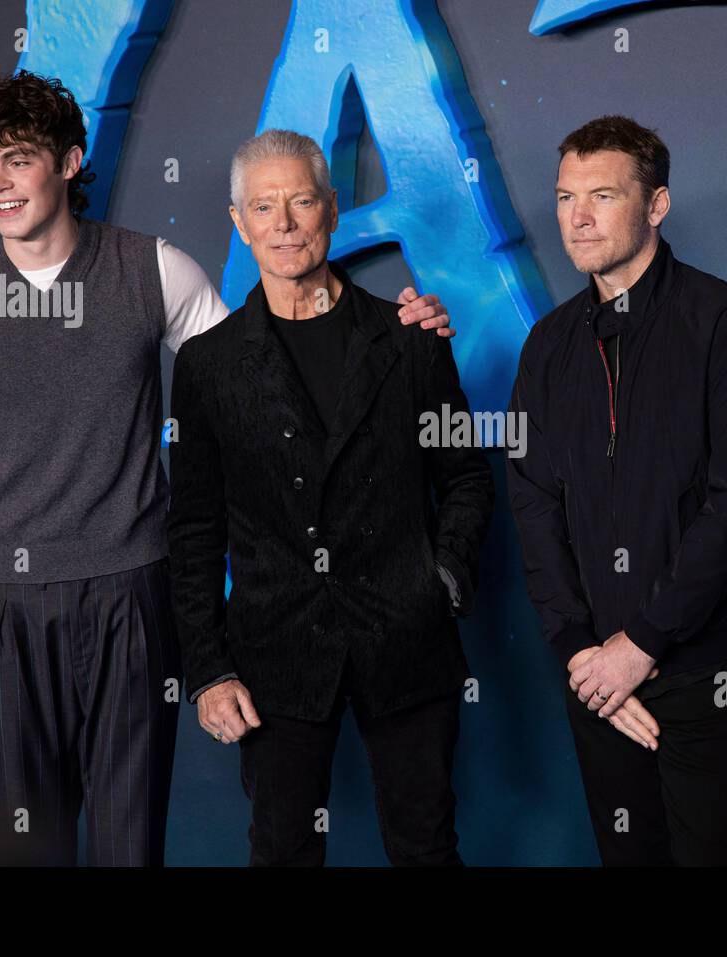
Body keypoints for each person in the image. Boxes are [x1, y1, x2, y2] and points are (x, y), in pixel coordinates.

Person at [0, 71, 454, 865]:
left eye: (18, 160)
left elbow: (273, 363)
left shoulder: (152, 269)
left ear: (69, 161)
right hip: (2, 609)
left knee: (132, 848)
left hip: (133, 594)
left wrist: (399, 327)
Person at [167, 129, 494, 866]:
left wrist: (439, 578)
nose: (283, 223)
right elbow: (192, 530)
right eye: (263, 207)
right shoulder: (208, 365)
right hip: (273, 653)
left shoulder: (410, 337)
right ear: (239, 221)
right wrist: (210, 669)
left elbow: (467, 476)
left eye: (302, 201)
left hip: (407, 640)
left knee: (425, 847)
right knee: (282, 851)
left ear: (333, 209)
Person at [506, 116, 727, 865]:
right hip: (594, 670)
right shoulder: (549, 345)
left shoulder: (726, 325)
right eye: (566, 197)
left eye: (603, 194)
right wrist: (583, 652)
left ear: (656, 205)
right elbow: (533, 503)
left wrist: (645, 644)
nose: (579, 217)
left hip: (706, 667)